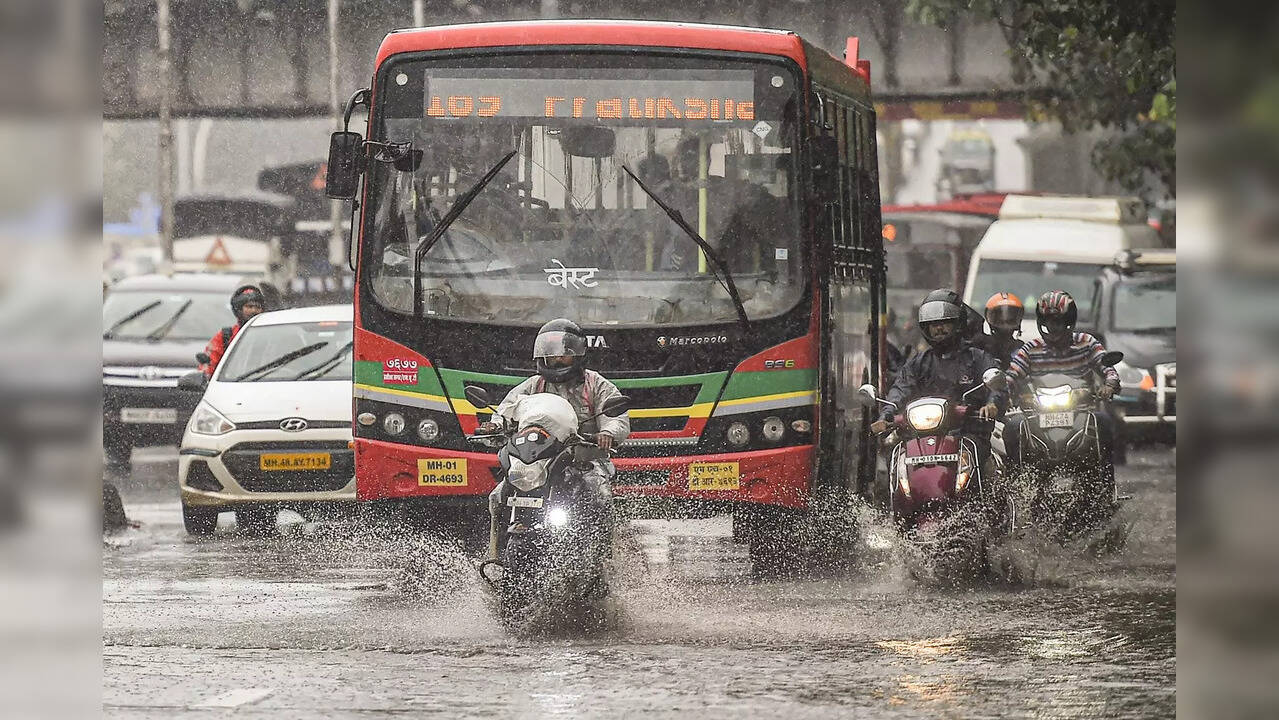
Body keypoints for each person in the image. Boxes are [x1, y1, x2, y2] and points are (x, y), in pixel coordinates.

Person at [479, 318, 631, 559]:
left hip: (585, 461)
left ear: (579, 355)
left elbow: (618, 418)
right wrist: (493, 425)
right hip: (540, 462)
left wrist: (608, 433)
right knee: (498, 496)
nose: (557, 359)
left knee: (600, 496)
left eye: (564, 354)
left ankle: (603, 561)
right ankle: (494, 557)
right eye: (551, 354)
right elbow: (506, 410)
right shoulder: (533, 385)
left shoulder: (597, 385)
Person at [1002, 290, 1122, 478]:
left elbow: (1107, 367)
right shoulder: (1031, 348)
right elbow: (1011, 375)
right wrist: (1003, 394)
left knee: (1104, 423)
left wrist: (1110, 385)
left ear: (1069, 321)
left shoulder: (1087, 342)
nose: (1053, 326)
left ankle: (1105, 484)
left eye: (1058, 321)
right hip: (1037, 415)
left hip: (1081, 414)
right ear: (1042, 322)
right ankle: (1015, 484)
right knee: (1012, 427)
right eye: (1049, 321)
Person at [871, 294, 1006, 434]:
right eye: (934, 324)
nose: (939, 328)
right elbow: (900, 389)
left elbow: (997, 385)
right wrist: (886, 414)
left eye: (945, 322)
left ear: (958, 323)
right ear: (926, 328)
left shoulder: (977, 357)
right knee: (898, 452)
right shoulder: (919, 362)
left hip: (969, 433)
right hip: (923, 435)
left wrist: (992, 404)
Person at [199, 284, 266, 377]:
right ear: (238, 310)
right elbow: (208, 367)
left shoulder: (269, 335)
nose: (254, 311)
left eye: (257, 307)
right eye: (249, 306)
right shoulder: (225, 336)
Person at [978, 291, 1026, 369]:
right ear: (989, 318)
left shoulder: (1021, 349)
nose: (1005, 325)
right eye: (1000, 320)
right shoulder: (982, 347)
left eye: (1010, 320)